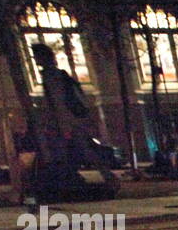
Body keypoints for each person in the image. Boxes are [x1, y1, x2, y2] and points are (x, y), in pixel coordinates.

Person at [29, 43, 116, 194]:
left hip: (67, 121)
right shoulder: (58, 74)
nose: (36, 60)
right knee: (82, 149)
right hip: (71, 120)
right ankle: (104, 176)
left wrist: (61, 123)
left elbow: (58, 101)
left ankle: (101, 177)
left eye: (37, 56)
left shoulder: (51, 76)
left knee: (76, 150)